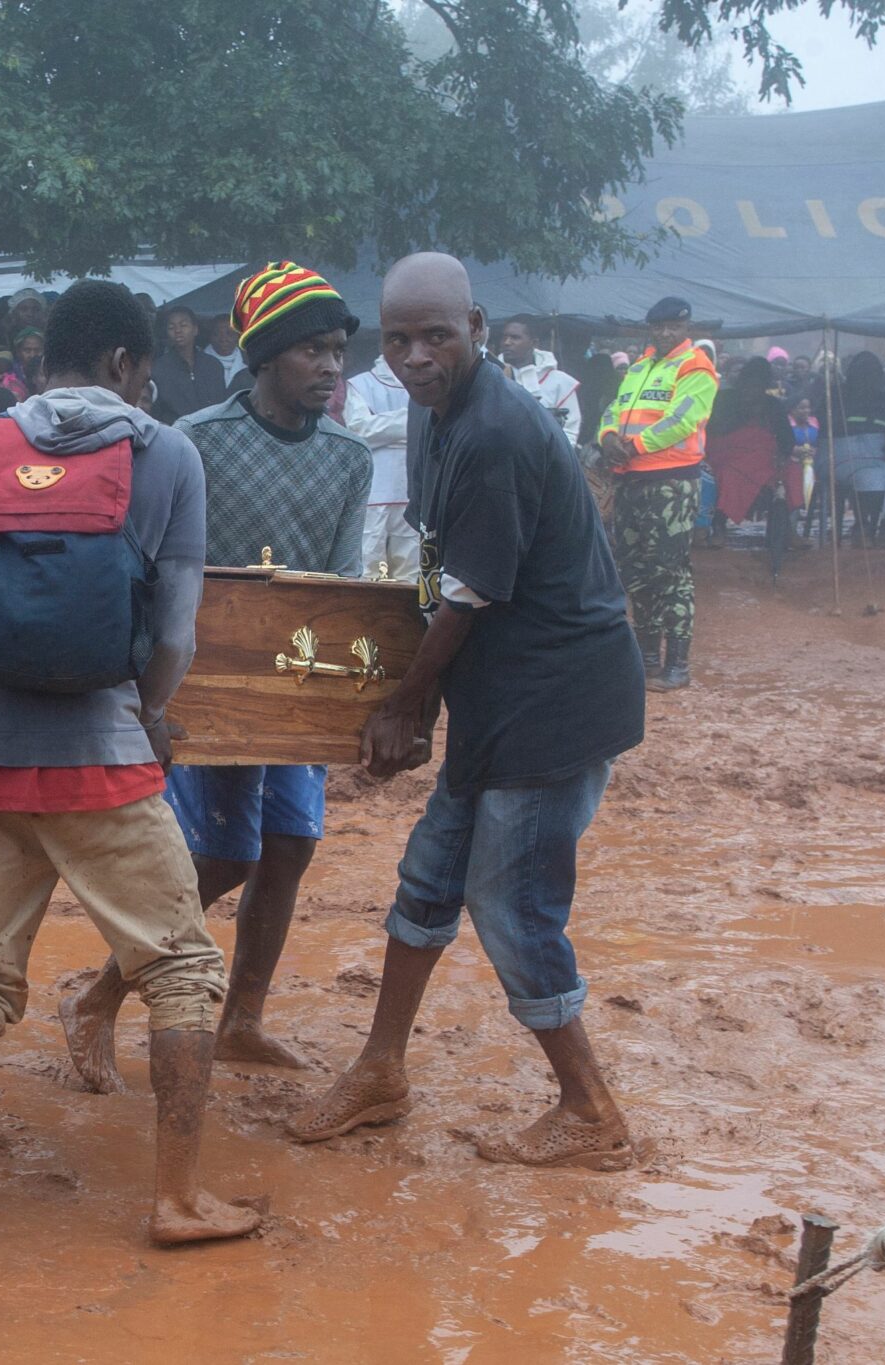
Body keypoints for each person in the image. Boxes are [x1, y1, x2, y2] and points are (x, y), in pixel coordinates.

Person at [0, 278, 258, 1246]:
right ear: (129, 365)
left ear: (44, 358)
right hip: (102, 759)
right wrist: (152, 714)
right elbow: (174, 629)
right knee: (178, 968)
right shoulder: (163, 451)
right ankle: (174, 1197)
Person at [288, 252, 645, 1171]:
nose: (414, 356)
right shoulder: (430, 406)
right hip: (500, 693)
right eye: (398, 338)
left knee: (512, 902)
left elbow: (466, 595)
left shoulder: (495, 431)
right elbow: (443, 571)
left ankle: (591, 1109)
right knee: (429, 875)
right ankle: (380, 1068)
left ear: (477, 328)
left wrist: (407, 705)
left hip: (555, 700)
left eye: (436, 335)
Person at [60, 262, 370, 1083]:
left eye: (338, 350)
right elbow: (154, 564)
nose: (331, 367)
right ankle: (97, 998)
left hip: (296, 683)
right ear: (263, 356)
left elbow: (342, 587)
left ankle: (244, 1017)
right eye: (311, 350)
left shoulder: (350, 457)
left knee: (293, 846)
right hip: (205, 681)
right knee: (224, 858)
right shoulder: (196, 439)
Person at [596, 296, 716, 691]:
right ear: (651, 329)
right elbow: (615, 408)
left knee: (671, 571)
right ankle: (647, 658)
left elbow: (683, 419)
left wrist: (635, 446)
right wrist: (608, 436)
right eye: (660, 327)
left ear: (686, 328)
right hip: (631, 479)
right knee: (635, 569)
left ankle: (677, 664)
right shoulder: (640, 367)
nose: (666, 333)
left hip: (672, 482)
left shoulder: (695, 365)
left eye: (674, 327)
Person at [343, 347, 420, 580]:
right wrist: (411, 420)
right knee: (367, 566)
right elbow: (358, 430)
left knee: (411, 571)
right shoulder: (361, 384)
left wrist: (383, 428)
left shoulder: (424, 384)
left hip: (412, 490)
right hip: (373, 491)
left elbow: (432, 427)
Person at [832, 350, 885, 543]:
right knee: (869, 477)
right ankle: (862, 526)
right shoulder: (838, 394)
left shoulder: (881, 397)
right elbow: (831, 427)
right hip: (845, 450)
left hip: (879, 451)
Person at [707, 358, 797, 526]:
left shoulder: (773, 405)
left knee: (792, 472)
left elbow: (787, 439)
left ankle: (787, 529)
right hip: (728, 456)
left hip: (765, 461)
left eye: (757, 386)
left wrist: (783, 455)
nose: (751, 390)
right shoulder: (724, 399)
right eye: (748, 385)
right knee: (729, 475)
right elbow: (714, 432)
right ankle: (719, 527)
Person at [497, 316, 581, 444]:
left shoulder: (560, 382)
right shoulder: (489, 376)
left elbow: (570, 431)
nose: (507, 342)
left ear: (534, 343)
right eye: (504, 337)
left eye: (515, 337)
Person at [150, 303, 227, 424]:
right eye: (171, 327)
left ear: (195, 329)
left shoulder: (213, 365)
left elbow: (222, 407)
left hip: (212, 434)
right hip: (177, 437)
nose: (178, 331)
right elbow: (156, 415)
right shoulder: (158, 370)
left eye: (183, 325)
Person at [0, 326, 45, 401]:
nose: (32, 355)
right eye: (27, 350)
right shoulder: (10, 378)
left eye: (37, 350)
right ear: (18, 352)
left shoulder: (51, 374)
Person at [204, 312, 247, 386]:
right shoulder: (198, 362)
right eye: (217, 334)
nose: (223, 339)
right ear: (210, 336)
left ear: (238, 335)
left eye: (229, 333)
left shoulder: (248, 360)